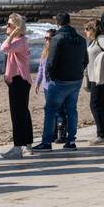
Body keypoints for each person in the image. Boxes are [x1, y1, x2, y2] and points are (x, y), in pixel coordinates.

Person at [33, 12, 87, 152]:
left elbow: (51, 63)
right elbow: (85, 60)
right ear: (69, 22)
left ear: (57, 24)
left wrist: (50, 77)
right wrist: (78, 72)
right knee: (71, 110)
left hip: (60, 81)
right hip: (76, 80)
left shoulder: (57, 38)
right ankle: (71, 141)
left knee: (50, 111)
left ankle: (46, 143)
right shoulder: (80, 39)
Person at [0, 13, 34, 159]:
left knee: (17, 114)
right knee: (23, 112)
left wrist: (12, 34)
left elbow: (4, 48)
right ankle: (27, 144)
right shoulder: (20, 41)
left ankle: (18, 147)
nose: (7, 27)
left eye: (10, 25)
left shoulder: (20, 41)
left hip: (19, 81)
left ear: (17, 27)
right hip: (19, 80)